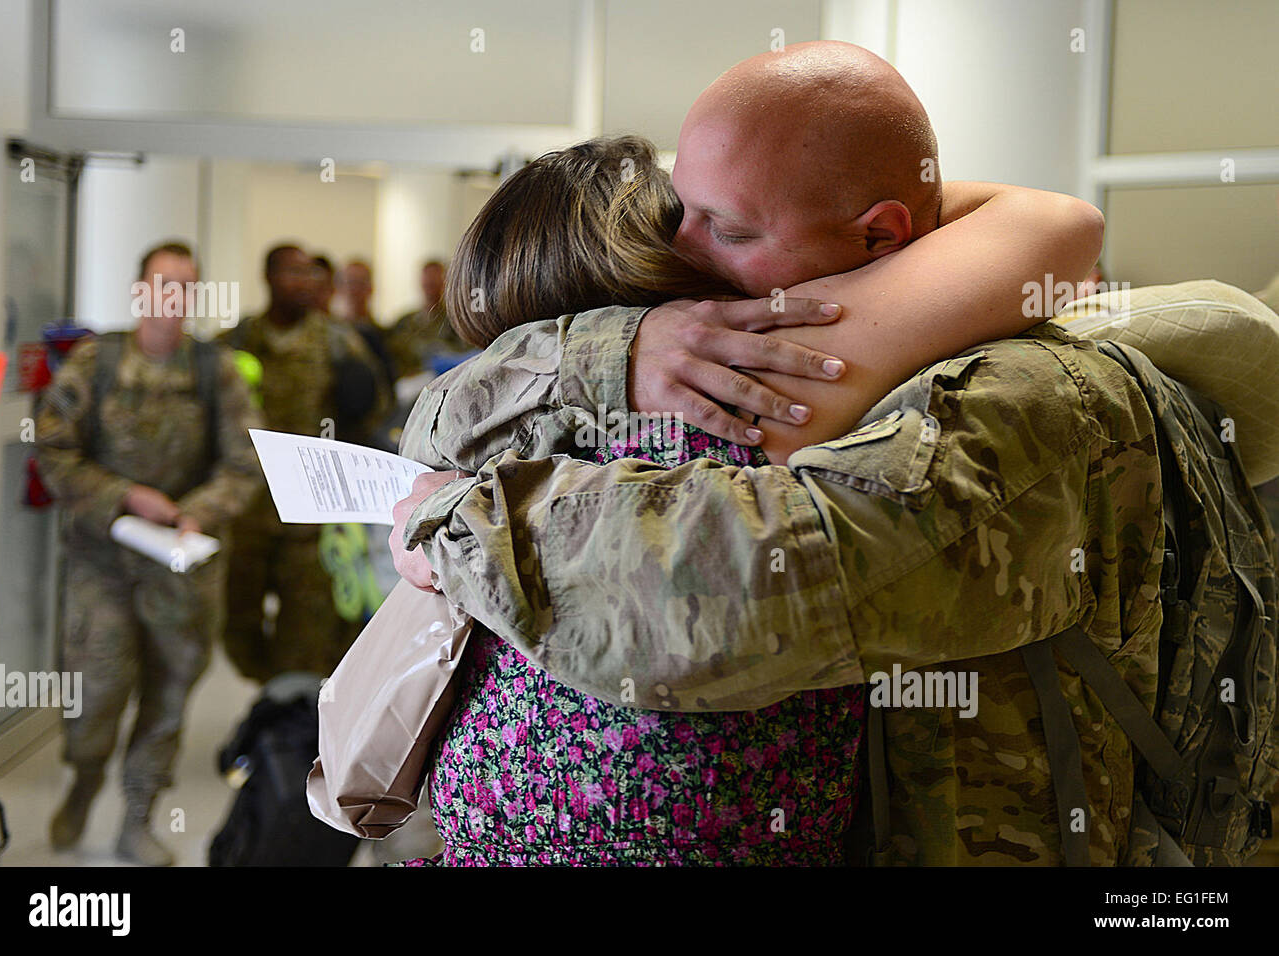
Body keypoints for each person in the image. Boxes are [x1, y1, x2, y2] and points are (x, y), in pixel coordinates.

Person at [393, 42, 1165, 866]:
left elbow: (718, 577)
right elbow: (1051, 220)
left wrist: (453, 517)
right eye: (678, 213)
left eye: (726, 226)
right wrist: (624, 342)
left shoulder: (754, 361)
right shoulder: (693, 351)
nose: (687, 249)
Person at [38, 241, 264, 865]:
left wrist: (198, 511)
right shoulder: (95, 362)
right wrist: (125, 496)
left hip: (182, 569)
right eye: (163, 284)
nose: (173, 298)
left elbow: (245, 464)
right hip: (102, 564)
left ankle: (138, 819)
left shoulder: (215, 370)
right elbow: (53, 452)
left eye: (186, 286)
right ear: (140, 291)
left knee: (167, 699)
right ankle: (83, 780)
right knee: (98, 689)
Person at [219, 244, 388, 684]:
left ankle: (290, 712)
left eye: (309, 274)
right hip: (247, 511)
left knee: (308, 632)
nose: (304, 283)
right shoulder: (236, 342)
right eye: (292, 273)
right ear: (269, 277)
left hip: (310, 515)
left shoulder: (336, 339)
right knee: (236, 622)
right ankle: (268, 696)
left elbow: (372, 410)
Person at [385, 259, 471, 378]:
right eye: (428, 281)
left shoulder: (457, 321)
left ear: (445, 283)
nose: (431, 285)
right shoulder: (405, 322)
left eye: (435, 281)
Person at [335, 259, 397, 398]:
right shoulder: (329, 334)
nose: (354, 289)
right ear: (338, 288)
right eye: (349, 282)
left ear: (370, 288)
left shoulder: (386, 336)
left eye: (360, 283)